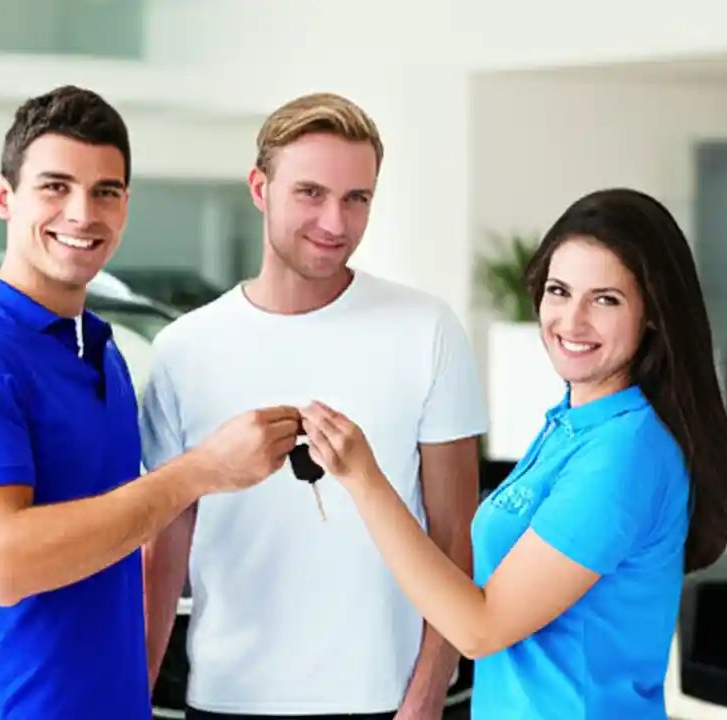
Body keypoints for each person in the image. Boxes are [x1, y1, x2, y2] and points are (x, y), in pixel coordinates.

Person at [0, 85, 302, 720]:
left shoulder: (104, 355)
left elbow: (124, 539)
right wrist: (200, 470)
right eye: (55, 187)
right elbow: (6, 564)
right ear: (4, 198)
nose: (82, 213)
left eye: (105, 192)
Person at [300, 188, 727, 719]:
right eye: (559, 291)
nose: (572, 321)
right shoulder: (574, 423)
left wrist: (364, 481)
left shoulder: (624, 455)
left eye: (606, 299)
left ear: (652, 313)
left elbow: (478, 628)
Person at [140, 92, 488, 719]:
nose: (336, 222)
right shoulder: (183, 350)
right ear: (259, 187)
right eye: (311, 193)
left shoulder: (426, 329)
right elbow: (167, 543)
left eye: (357, 199)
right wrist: (132, 691)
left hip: (384, 701)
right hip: (226, 697)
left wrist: (429, 692)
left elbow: (454, 535)